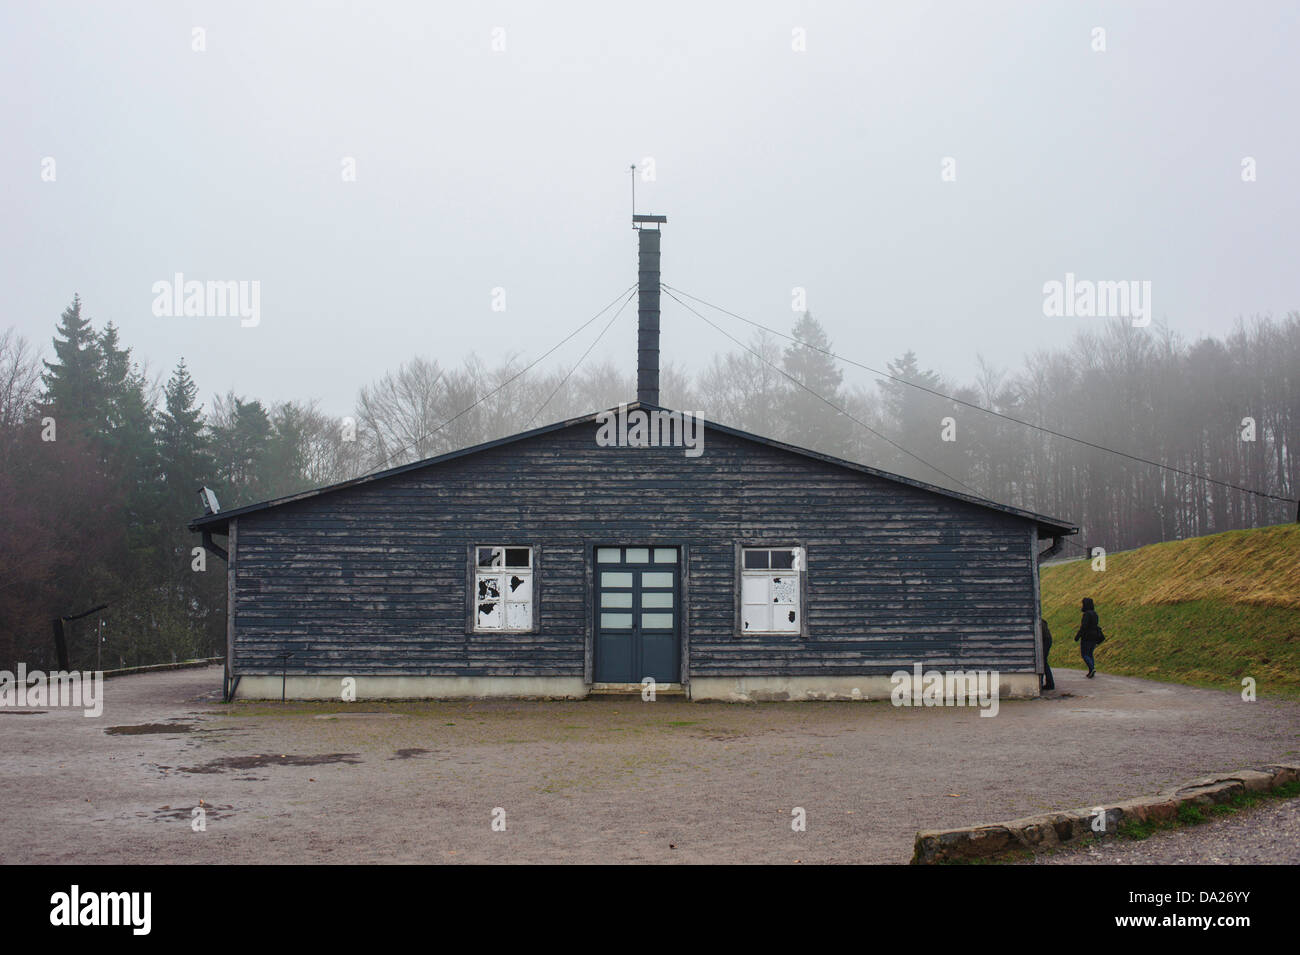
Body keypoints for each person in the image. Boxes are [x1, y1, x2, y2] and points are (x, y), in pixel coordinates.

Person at [1074, 597, 1103, 678]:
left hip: (1087, 636)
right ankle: (1091, 670)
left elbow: (1084, 627)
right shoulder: (1095, 613)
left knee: (1084, 654)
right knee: (1090, 653)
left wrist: (1078, 636)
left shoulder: (1086, 614)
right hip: (1095, 636)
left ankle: (1092, 668)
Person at [1040, 617, 1055, 691]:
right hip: (1047, 640)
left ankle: (1048, 683)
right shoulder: (1042, 621)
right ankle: (1049, 683)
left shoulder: (1039, 622)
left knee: (1043, 662)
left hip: (1045, 641)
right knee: (1044, 662)